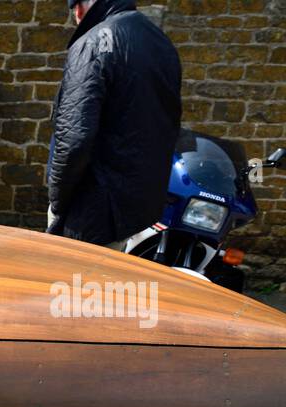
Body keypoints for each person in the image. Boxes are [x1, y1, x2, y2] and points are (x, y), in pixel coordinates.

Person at [46, 0, 181, 248]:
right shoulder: (161, 43)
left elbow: (74, 139)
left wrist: (57, 202)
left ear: (79, 9)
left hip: (92, 207)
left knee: (74, 283)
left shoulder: (92, 42)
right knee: (104, 283)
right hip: (133, 206)